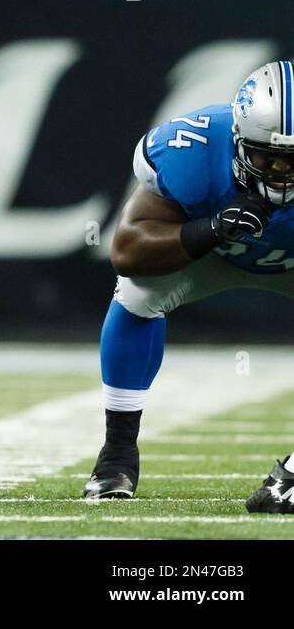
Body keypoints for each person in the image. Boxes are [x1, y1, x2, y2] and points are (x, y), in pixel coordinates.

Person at [83, 61, 294, 513]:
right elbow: (127, 249)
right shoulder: (194, 149)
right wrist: (212, 229)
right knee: (138, 291)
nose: (281, 173)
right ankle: (117, 454)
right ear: (237, 141)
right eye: (268, 158)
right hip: (214, 253)